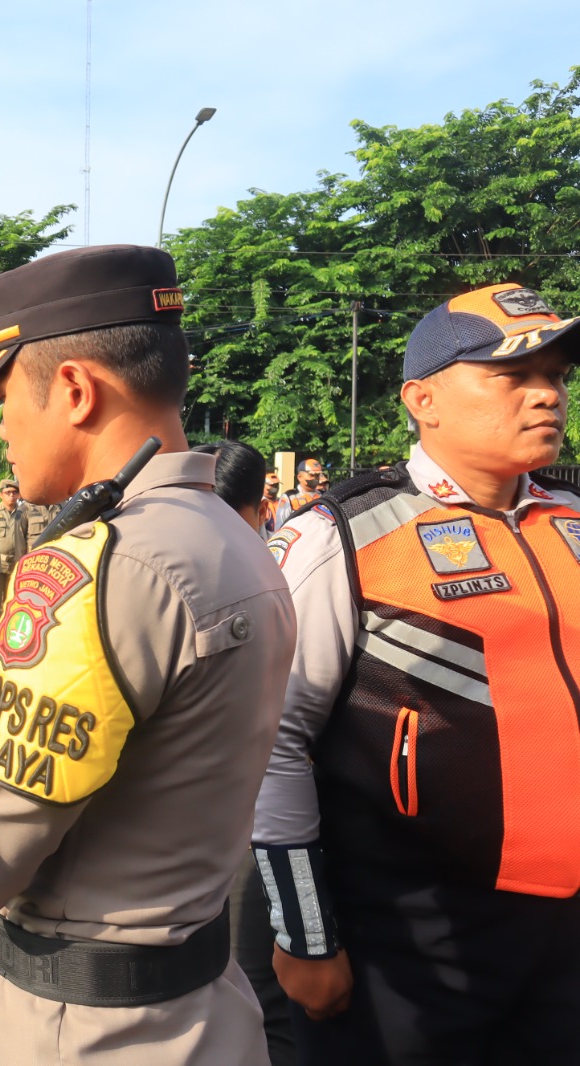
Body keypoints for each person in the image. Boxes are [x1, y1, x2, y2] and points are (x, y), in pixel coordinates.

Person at [0, 244, 296, 1065]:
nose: (1, 430)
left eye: (4, 399)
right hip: (198, 1015)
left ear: (73, 390)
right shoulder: (224, 534)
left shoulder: (104, 565)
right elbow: (96, 718)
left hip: (83, 1030)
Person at [254, 283, 580, 1066]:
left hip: (566, 942)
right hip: (408, 940)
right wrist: (305, 934)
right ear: (422, 400)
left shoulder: (572, 516)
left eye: (557, 376)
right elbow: (272, 743)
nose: (547, 395)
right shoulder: (343, 533)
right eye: (513, 375)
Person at [193, 440, 293, 1066]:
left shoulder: (171, 561)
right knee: (261, 986)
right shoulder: (277, 564)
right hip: (275, 806)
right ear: (261, 505)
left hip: (210, 815)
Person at [0, 478, 29, 628]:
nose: (11, 495)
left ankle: (7, 626)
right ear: (1, 494)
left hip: (16, 562)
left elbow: (27, 535)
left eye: (14, 492)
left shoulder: (24, 512)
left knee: (12, 596)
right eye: (8, 492)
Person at [273, 458, 323, 528]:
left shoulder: (323, 496)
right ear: (300, 477)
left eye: (317, 475)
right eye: (311, 475)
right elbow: (280, 523)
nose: (315, 478)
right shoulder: (290, 497)